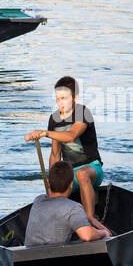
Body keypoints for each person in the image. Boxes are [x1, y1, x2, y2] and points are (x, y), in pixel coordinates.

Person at [25, 76, 105, 225]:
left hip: (92, 169)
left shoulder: (83, 112)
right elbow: (55, 154)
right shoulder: (54, 119)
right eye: (57, 98)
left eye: (64, 98)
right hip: (69, 173)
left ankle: (90, 219)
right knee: (53, 191)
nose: (60, 102)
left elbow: (71, 135)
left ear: (74, 98)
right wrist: (52, 182)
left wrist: (45, 133)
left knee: (81, 174)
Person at [24, 161, 110, 247]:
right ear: (71, 185)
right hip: (52, 255)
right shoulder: (73, 208)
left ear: (49, 184)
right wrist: (103, 233)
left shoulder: (38, 200)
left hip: (27, 255)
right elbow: (87, 236)